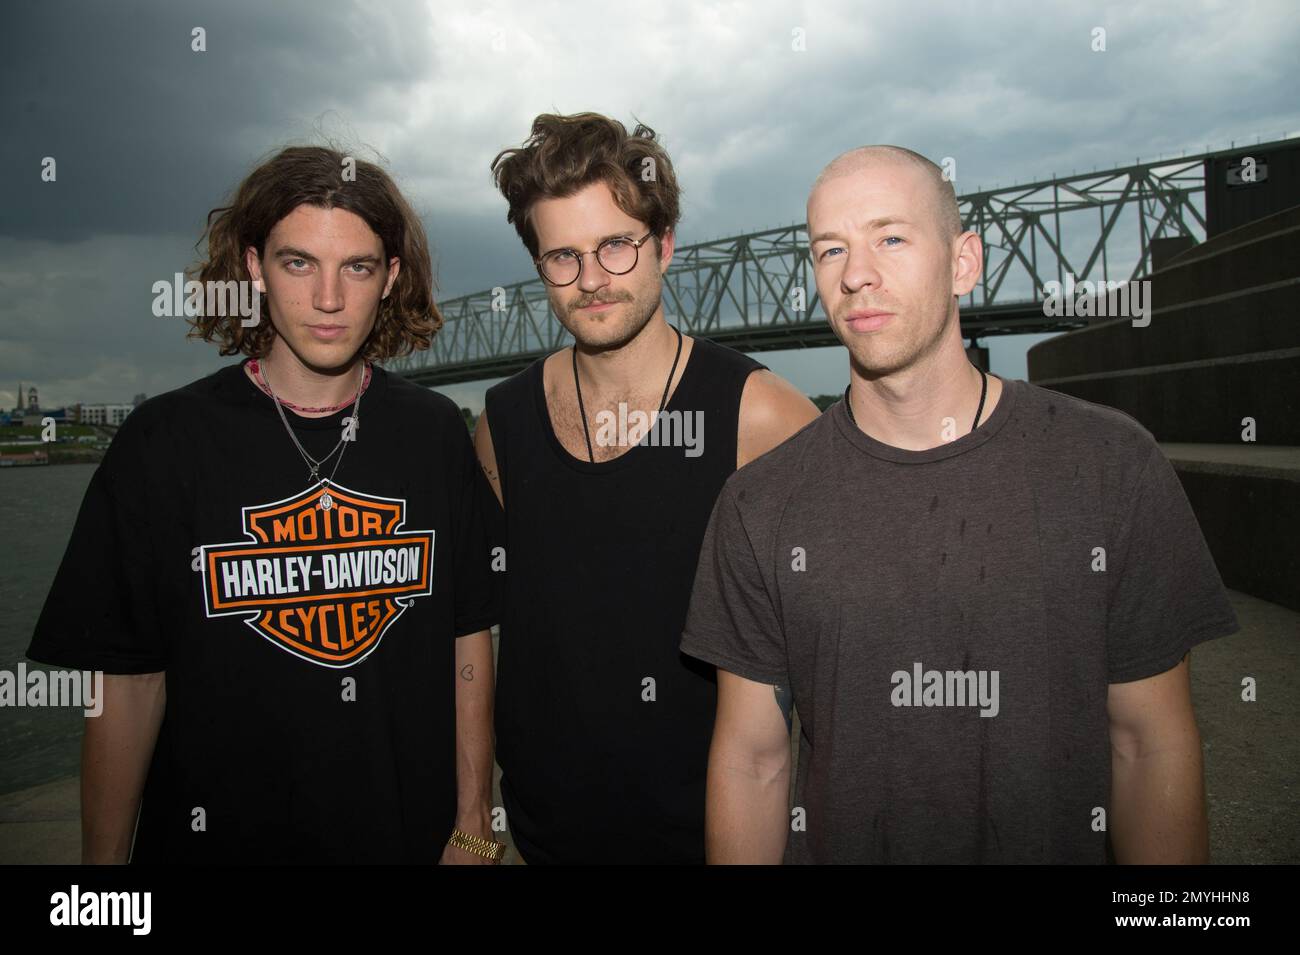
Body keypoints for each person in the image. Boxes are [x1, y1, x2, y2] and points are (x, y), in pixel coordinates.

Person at [680, 145, 1240, 864]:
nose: (856, 274)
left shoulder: (1111, 465)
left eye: (890, 237)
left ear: (965, 262)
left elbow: (1149, 741)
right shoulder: (756, 504)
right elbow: (753, 759)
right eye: (830, 250)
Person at [26, 145, 503, 864]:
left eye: (359, 266)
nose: (329, 299)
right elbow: (127, 684)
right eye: (298, 262)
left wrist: (473, 825)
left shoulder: (434, 433)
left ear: (391, 277)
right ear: (253, 267)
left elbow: (468, 640)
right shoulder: (165, 443)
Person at [475, 112, 820, 863]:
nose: (591, 279)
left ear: (664, 245)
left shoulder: (759, 415)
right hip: (541, 844)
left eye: (616, 246)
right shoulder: (501, 424)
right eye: (562, 255)